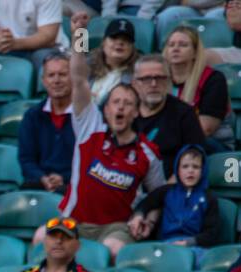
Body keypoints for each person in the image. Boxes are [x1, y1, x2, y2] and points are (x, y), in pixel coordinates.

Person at [52, 14, 165, 259]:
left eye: (127, 104)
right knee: (42, 238)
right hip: (74, 221)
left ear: (136, 112)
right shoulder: (89, 128)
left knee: (113, 250)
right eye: (116, 103)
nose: (121, 108)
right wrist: (79, 34)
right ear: (105, 108)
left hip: (116, 227)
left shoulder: (147, 152)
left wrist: (148, 219)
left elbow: (159, 195)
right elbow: (79, 78)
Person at [131, 144, 220, 258]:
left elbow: (211, 233)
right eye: (185, 166)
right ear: (177, 170)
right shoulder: (167, 191)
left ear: (203, 171)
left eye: (196, 167)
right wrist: (139, 215)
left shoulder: (209, 197)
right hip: (167, 245)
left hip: (195, 247)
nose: (190, 171)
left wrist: (187, 243)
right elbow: (146, 203)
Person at [132, 54, 208, 180]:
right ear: (134, 83)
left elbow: (195, 159)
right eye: (146, 79)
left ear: (169, 82)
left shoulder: (184, 114)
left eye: (160, 78)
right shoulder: (124, 111)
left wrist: (162, 194)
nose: (153, 84)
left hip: (169, 190)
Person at [165, 25, 234, 151]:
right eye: (171, 45)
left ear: (195, 53)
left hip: (213, 144)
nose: (175, 49)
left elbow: (205, 129)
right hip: (172, 141)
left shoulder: (213, 79)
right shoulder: (160, 79)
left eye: (183, 45)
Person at [18, 53, 75, 193]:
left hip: (76, 187)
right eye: (51, 75)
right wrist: (42, 178)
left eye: (62, 74)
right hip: (39, 186)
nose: (56, 80)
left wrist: (64, 178)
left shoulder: (88, 117)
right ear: (44, 81)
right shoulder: (32, 116)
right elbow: (26, 159)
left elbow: (92, 161)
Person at [0, 0, 65, 72]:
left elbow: (48, 37)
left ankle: (43, 97)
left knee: (44, 59)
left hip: (40, 48)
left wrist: (15, 43)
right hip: (1, 47)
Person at [87, 16, 138, 105]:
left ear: (132, 47)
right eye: (114, 38)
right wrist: (79, 31)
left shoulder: (138, 74)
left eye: (126, 40)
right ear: (103, 42)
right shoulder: (88, 64)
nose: (120, 43)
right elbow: (77, 56)